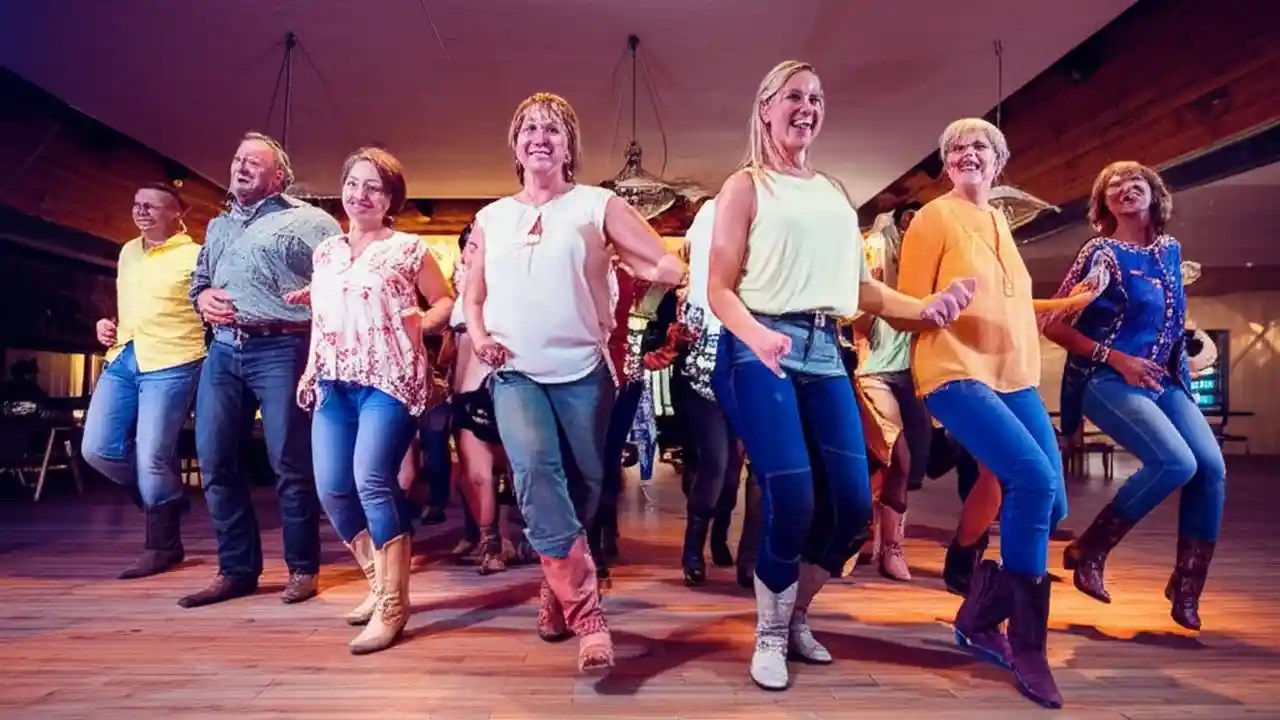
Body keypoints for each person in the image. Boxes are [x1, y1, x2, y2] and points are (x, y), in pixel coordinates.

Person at [707, 61, 973, 692]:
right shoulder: (744, 187)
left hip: (826, 351)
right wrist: (759, 335)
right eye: (795, 96)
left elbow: (859, 289)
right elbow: (719, 288)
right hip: (757, 347)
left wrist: (926, 308)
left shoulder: (833, 193)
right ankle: (768, 634)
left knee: (855, 505)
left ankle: (794, 613)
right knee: (794, 497)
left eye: (817, 98)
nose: (808, 106)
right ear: (766, 106)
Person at [463, 92, 685, 673]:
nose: (540, 136)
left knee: (588, 487)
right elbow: (474, 292)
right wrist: (481, 333)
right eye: (529, 128)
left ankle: (554, 586)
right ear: (515, 145)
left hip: (585, 371)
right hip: (513, 370)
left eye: (553, 130)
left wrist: (687, 271)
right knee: (537, 473)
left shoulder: (597, 204)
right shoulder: (491, 218)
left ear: (570, 146)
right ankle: (588, 615)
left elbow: (656, 260)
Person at [895, 117, 1077, 709]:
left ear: (999, 162)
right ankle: (1026, 642)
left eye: (979, 145)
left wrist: (1075, 302)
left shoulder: (998, 219)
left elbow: (1013, 299)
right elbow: (905, 308)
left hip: (1014, 376)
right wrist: (934, 309)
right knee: (1032, 478)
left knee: (1053, 502)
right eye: (955, 147)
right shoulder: (933, 217)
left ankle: (978, 615)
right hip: (955, 371)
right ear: (947, 162)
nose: (966, 153)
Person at [1045, 161, 1225, 631]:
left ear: (1154, 193)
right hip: (1106, 380)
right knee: (1175, 463)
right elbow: (1054, 324)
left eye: (1135, 181)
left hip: (1165, 383)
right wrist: (1117, 357)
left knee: (1211, 468)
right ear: (1104, 203)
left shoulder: (1170, 252)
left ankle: (1186, 586)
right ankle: (1090, 549)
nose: (1125, 188)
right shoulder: (1100, 252)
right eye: (1114, 186)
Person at [291, 147, 452, 653]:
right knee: (333, 488)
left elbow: (444, 300)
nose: (361, 195)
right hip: (334, 379)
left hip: (389, 378)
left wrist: (423, 323)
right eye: (354, 183)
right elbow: (327, 313)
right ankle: (379, 583)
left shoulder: (408, 249)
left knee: (372, 479)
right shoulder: (327, 253)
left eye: (374, 188)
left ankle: (393, 607)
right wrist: (311, 363)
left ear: (391, 200)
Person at [181, 132, 340, 609]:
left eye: (254, 162)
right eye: (237, 159)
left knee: (289, 464)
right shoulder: (219, 226)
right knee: (213, 459)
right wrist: (201, 297)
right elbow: (200, 281)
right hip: (225, 351)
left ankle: (303, 569)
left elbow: (343, 274)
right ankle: (236, 570)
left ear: (279, 177)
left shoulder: (311, 221)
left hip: (282, 347)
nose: (241, 167)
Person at [81, 183, 205, 579]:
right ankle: (167, 497)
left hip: (174, 358)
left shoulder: (196, 256)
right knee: (97, 448)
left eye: (151, 206)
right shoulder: (128, 252)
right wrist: (107, 325)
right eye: (136, 204)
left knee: (153, 454)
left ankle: (163, 545)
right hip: (124, 354)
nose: (141, 212)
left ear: (176, 213)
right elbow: (133, 305)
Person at [850, 203, 932, 581]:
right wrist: (876, 287)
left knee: (903, 467)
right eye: (909, 221)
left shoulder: (924, 273)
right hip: (875, 374)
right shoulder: (870, 260)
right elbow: (861, 325)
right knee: (895, 457)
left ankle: (884, 543)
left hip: (912, 377)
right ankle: (866, 538)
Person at [670, 199, 745, 586]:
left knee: (733, 475)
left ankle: (719, 535)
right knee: (715, 465)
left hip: (743, 386)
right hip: (700, 384)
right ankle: (692, 548)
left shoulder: (750, 281)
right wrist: (676, 338)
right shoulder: (691, 288)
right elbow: (676, 337)